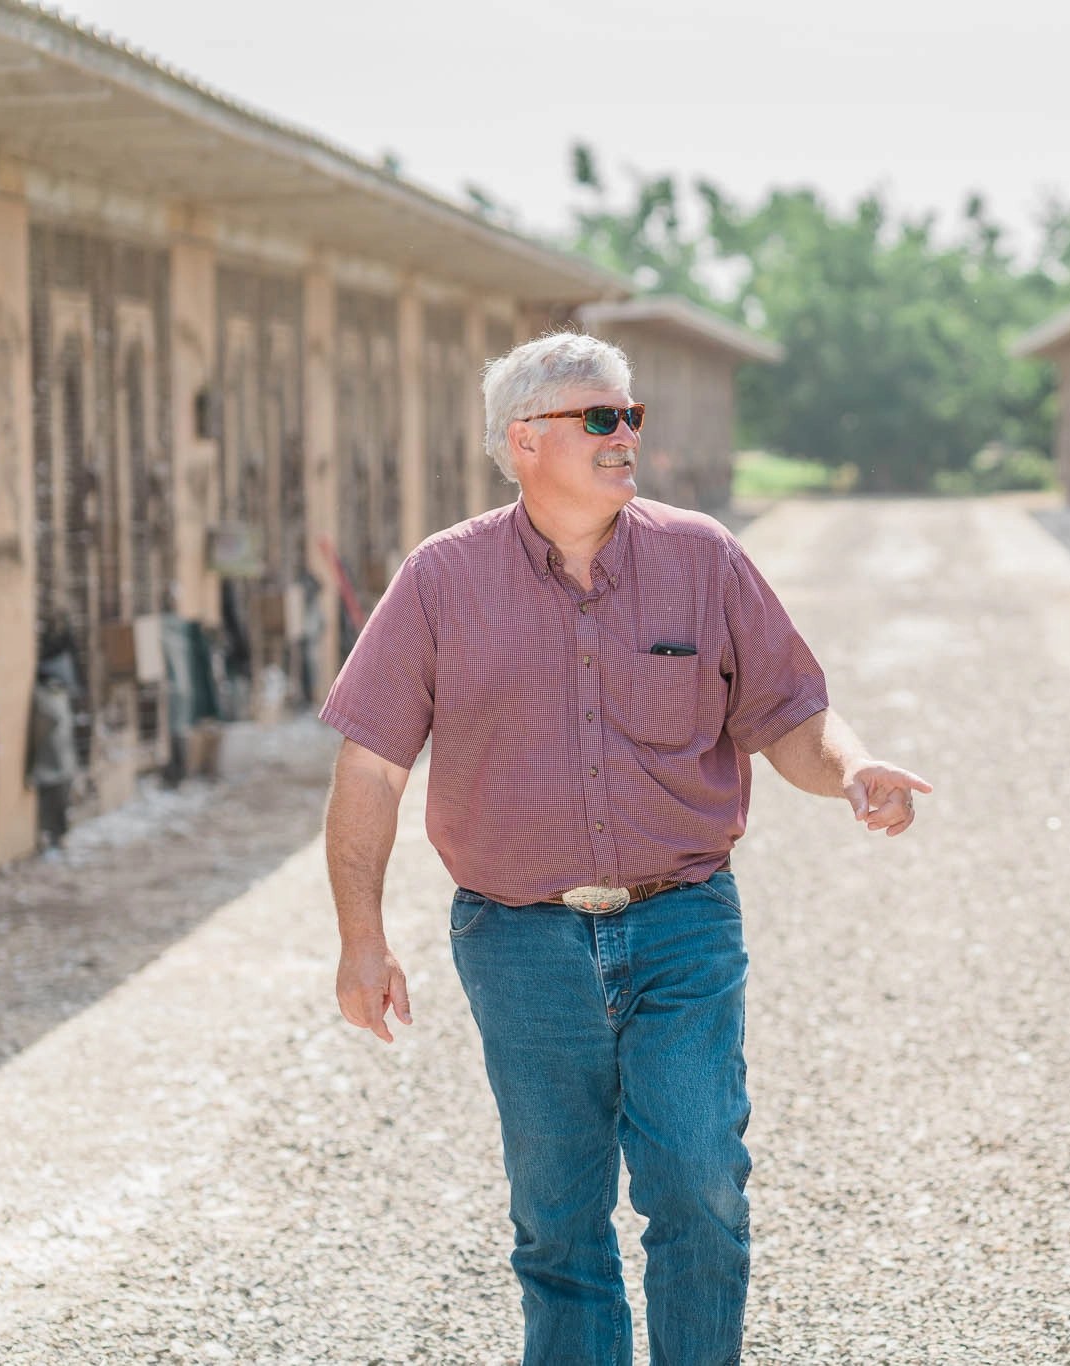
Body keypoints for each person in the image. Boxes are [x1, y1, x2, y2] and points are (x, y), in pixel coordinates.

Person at [320, 331, 931, 1365]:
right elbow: (370, 771)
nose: (625, 436)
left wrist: (853, 767)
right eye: (599, 418)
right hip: (517, 941)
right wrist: (359, 939)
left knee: (699, 1181)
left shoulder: (703, 558)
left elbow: (789, 714)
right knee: (557, 1220)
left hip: (681, 920)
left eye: (630, 415)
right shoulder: (440, 580)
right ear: (524, 440)